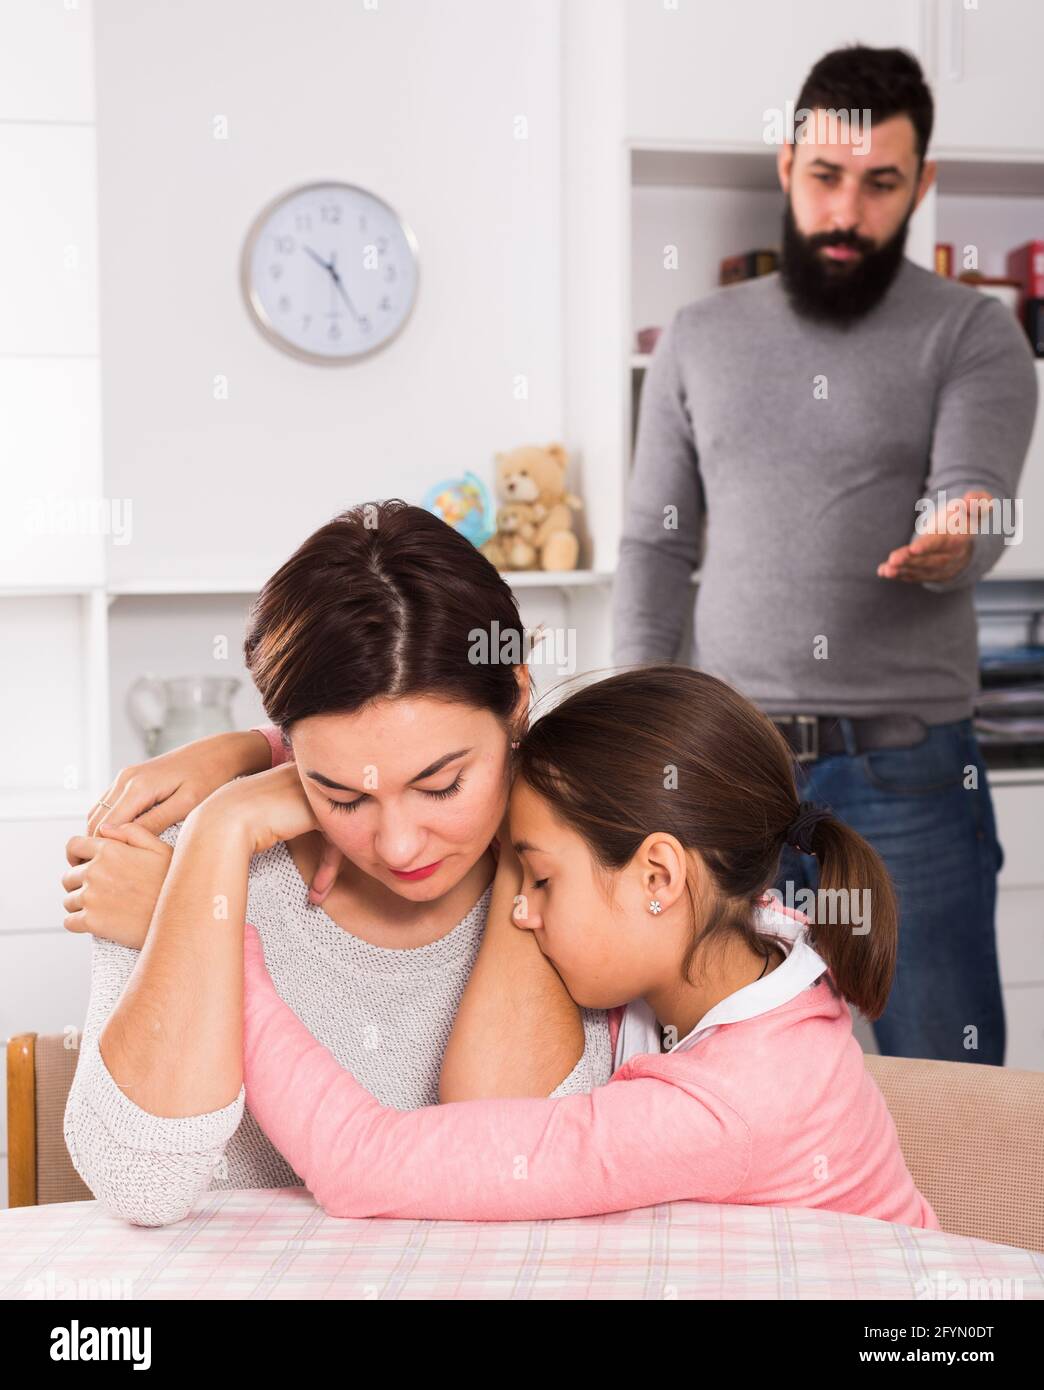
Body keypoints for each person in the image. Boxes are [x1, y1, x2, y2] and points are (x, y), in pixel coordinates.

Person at [612, 45, 1039, 1064]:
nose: (847, 210)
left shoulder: (976, 334)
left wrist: (959, 535)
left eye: (881, 183)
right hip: (728, 771)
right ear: (786, 166)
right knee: (720, 1062)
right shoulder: (700, 337)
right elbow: (654, 545)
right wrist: (633, 737)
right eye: (826, 177)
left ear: (922, 184)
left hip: (906, 774)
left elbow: (976, 499)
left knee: (942, 1063)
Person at [61, 500, 613, 1226]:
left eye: (443, 785)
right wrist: (221, 832)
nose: (399, 845)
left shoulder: (580, 855)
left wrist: (526, 820)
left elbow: (505, 1165)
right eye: (341, 795)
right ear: (293, 753)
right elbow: (141, 1185)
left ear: (516, 702)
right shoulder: (172, 864)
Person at [233, 663, 939, 1228]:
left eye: (539, 877)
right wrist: (265, 759)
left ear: (658, 875)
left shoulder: (730, 1106)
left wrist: (227, 948)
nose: (519, 908)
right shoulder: (742, 932)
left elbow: (362, 1167)